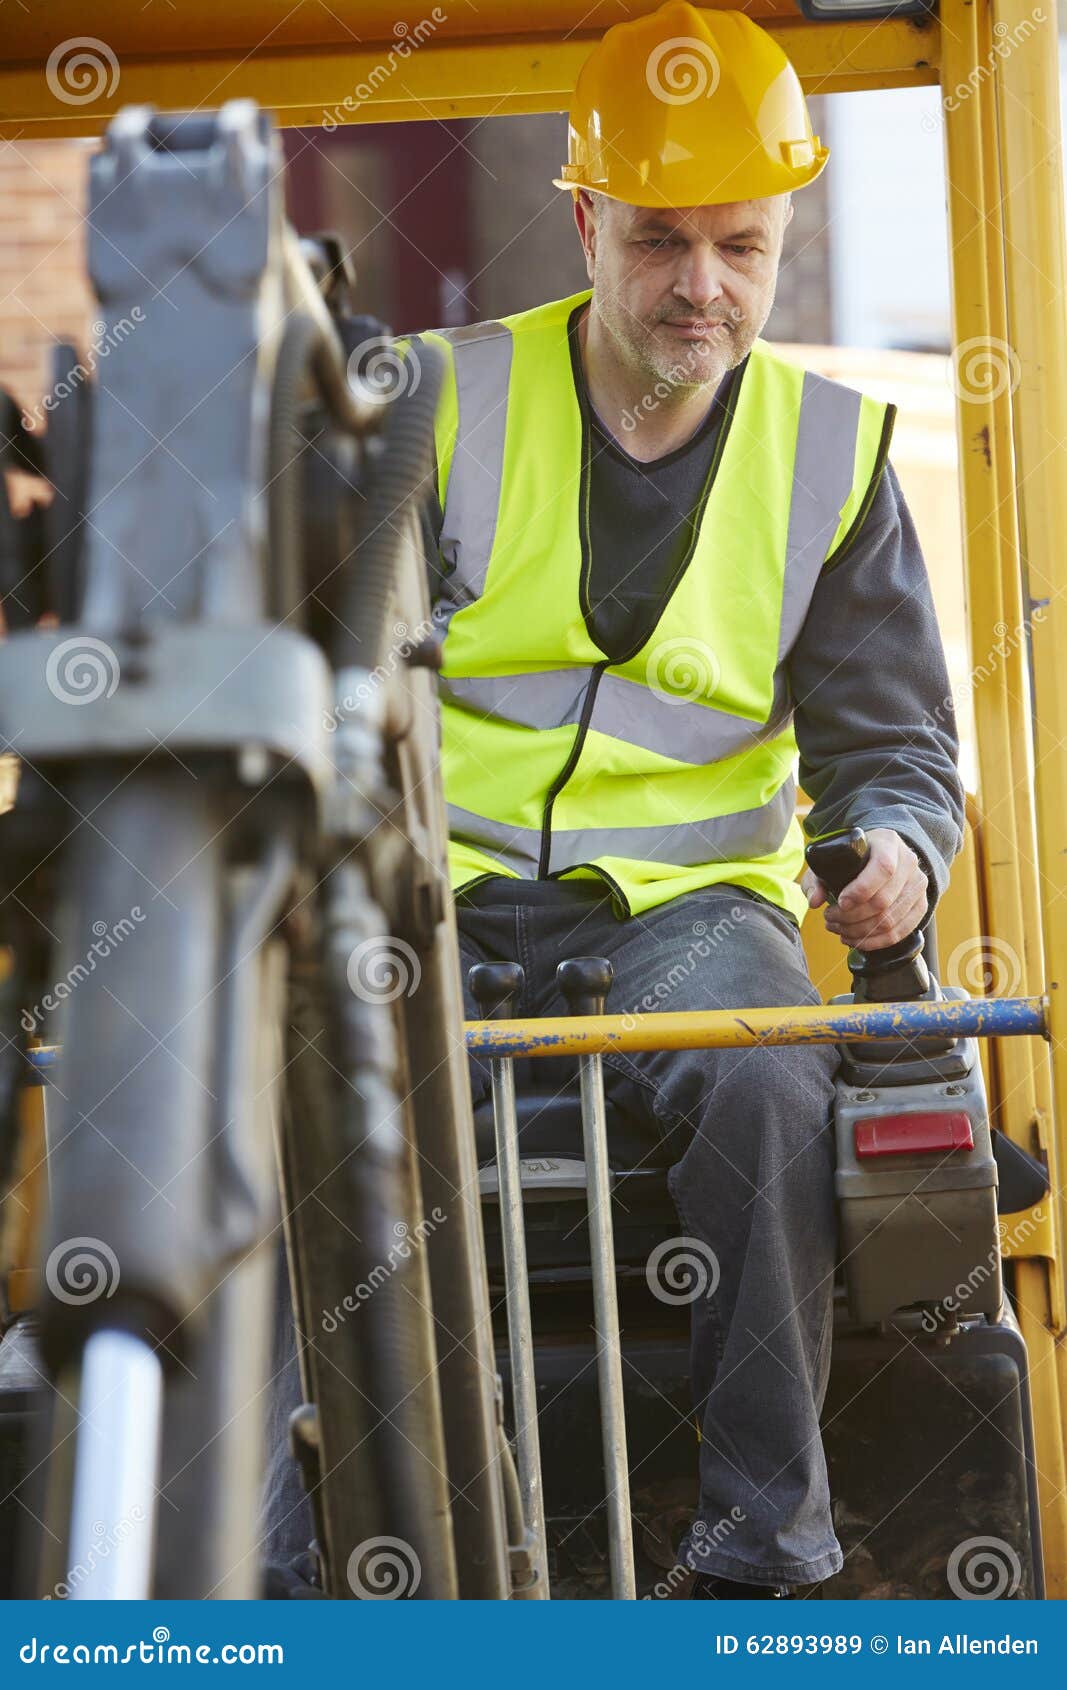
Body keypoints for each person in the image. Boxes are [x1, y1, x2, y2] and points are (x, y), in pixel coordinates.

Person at [263, 1, 964, 1598]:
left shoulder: (835, 457)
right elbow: (315, 660)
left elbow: (893, 745)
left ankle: (762, 1550)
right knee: (283, 1073)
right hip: (429, 895)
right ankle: (305, 1562)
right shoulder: (428, 405)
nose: (700, 284)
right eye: (658, 241)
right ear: (586, 220)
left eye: (739, 244)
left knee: (768, 1078)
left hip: (688, 924)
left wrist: (905, 851)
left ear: (783, 234)